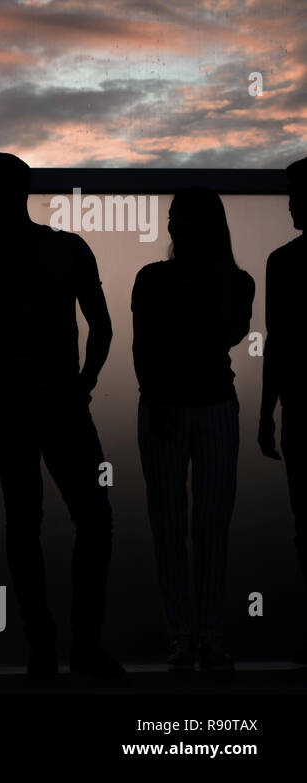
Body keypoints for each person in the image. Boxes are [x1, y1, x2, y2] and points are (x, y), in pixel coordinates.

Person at [0, 152, 122, 680]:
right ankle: (79, 646)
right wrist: (83, 384)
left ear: (6, 193)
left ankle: (44, 645)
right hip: (58, 404)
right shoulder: (66, 248)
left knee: (27, 522)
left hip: (8, 404)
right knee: (90, 520)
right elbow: (102, 328)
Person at [132, 188, 253, 672]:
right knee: (203, 526)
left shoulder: (155, 279)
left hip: (172, 405)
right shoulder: (235, 281)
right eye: (172, 217)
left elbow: (146, 346)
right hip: (208, 404)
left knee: (179, 525)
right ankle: (200, 635)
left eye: (177, 217)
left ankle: (189, 635)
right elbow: (224, 335)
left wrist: (154, 393)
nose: (172, 226)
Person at [258, 156, 307, 666]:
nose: (290, 205)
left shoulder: (283, 262)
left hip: (299, 407)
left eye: (296, 197)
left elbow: (278, 342)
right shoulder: (282, 262)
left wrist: (265, 411)